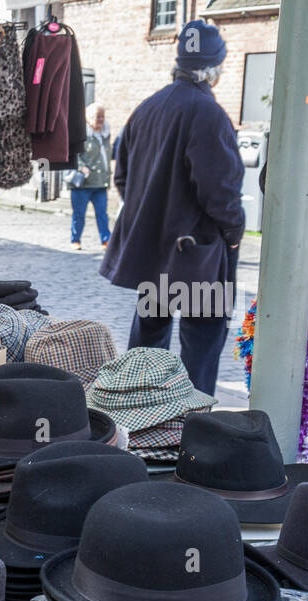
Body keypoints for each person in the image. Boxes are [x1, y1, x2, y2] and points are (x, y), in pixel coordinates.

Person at [100, 19, 244, 396]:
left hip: (155, 253)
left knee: (148, 338)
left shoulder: (147, 107)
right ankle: (193, 425)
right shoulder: (207, 113)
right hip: (199, 253)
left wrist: (148, 218)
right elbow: (221, 191)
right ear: (214, 68)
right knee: (202, 344)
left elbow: (123, 179)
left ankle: (140, 411)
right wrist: (233, 233)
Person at [70, 103, 111, 250]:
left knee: (102, 214)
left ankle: (106, 240)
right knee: (79, 214)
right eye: (97, 116)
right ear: (88, 118)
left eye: (102, 116)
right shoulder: (81, 134)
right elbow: (72, 154)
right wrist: (82, 167)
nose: (100, 119)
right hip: (83, 184)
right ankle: (75, 240)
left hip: (100, 183)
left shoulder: (105, 134)